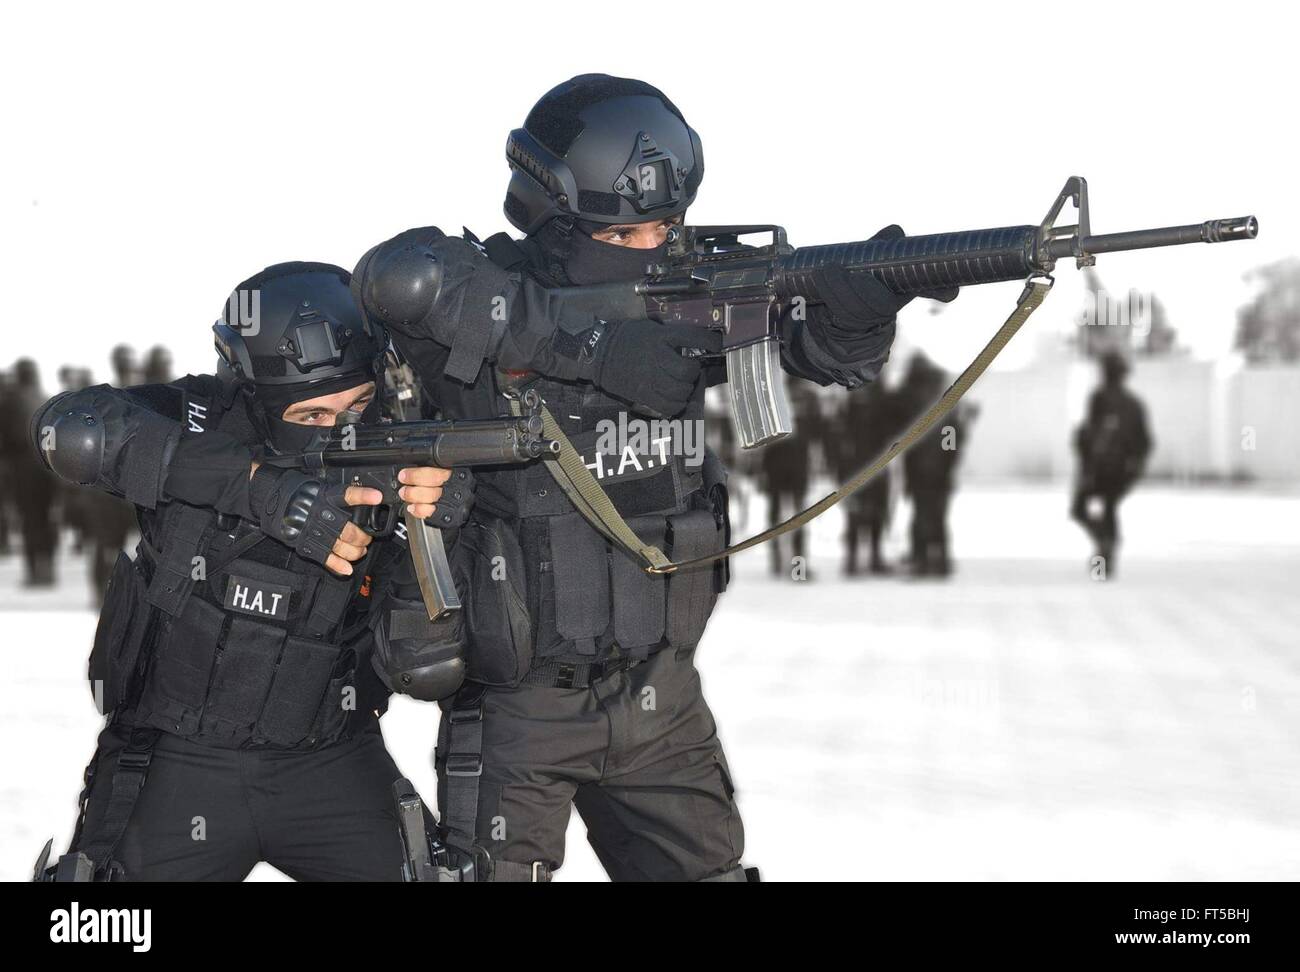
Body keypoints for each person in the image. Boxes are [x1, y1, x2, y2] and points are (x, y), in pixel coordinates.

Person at [352, 74, 940, 881]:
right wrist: (593, 348)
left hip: (662, 695)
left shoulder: (692, 294)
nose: (653, 250)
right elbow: (394, 276)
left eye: (667, 227)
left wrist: (863, 303)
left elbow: (827, 358)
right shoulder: (481, 293)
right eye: (622, 237)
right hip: (523, 707)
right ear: (551, 221)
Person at [32, 262, 470, 881]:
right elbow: (69, 430)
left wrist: (449, 520)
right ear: (254, 401)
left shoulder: (401, 440)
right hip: (174, 764)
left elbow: (427, 661)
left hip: (332, 760)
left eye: (358, 405)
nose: (342, 432)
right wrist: (258, 488)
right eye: (312, 418)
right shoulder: (197, 419)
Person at [1070, 350, 1152, 576]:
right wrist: (1136, 466)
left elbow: (1089, 434)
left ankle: (1104, 544)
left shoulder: (1099, 398)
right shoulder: (1134, 404)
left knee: (1080, 509)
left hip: (1100, 467)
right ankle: (1106, 550)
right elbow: (1145, 441)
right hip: (1123, 469)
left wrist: (1085, 459)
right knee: (1109, 508)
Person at [899, 353, 972, 578]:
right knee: (935, 515)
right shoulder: (943, 405)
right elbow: (954, 442)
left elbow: (951, 441)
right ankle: (936, 561)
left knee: (926, 515)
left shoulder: (917, 403)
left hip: (926, 472)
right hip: (934, 472)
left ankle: (927, 561)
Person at [831, 378, 900, 575]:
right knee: (862, 512)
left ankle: (867, 559)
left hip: (868, 464)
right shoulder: (858, 398)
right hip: (863, 465)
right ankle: (861, 560)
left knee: (872, 511)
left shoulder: (870, 396)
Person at [2, 358, 58, 585]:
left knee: (29, 520)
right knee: (47, 519)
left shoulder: (9, 402)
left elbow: (5, 441)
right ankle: (48, 569)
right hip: (48, 469)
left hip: (23, 470)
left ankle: (35, 571)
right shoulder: (45, 399)